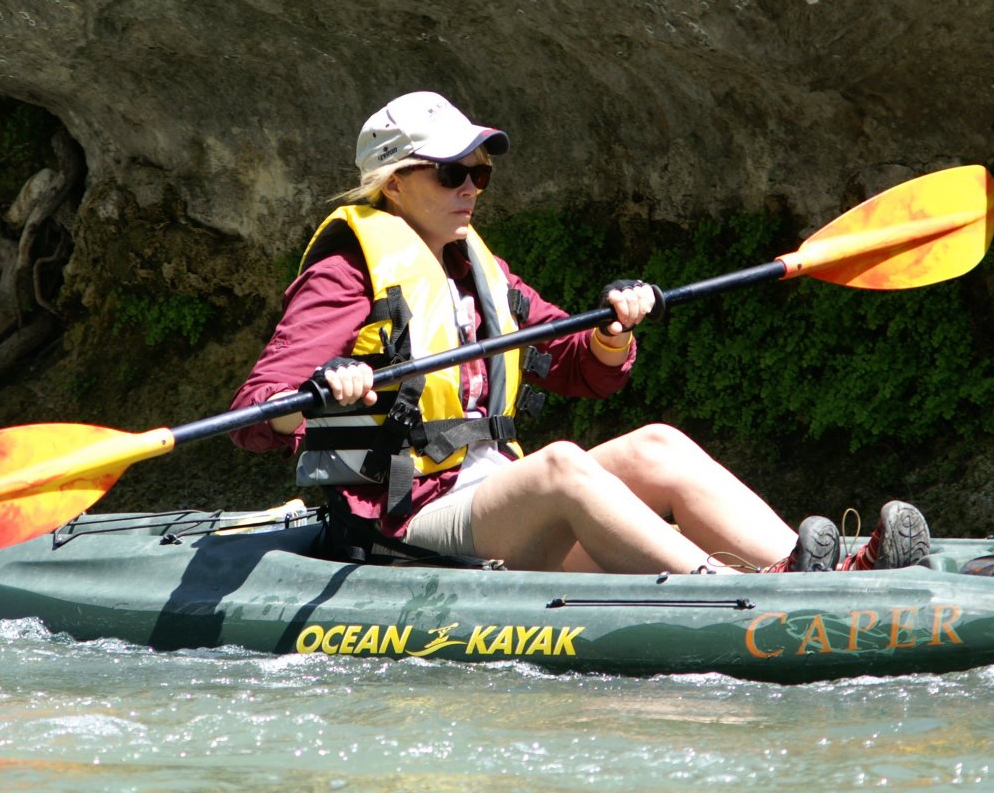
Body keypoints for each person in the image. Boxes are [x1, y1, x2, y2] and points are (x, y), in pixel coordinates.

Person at [229, 91, 930, 575]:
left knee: (659, 445)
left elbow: (575, 362)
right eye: (450, 174)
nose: (471, 187)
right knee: (562, 463)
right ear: (392, 185)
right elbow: (254, 413)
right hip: (406, 520)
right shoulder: (346, 272)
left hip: (490, 493)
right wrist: (322, 393)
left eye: (479, 172)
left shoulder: (479, 270)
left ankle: (816, 570)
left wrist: (612, 333)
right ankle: (734, 590)